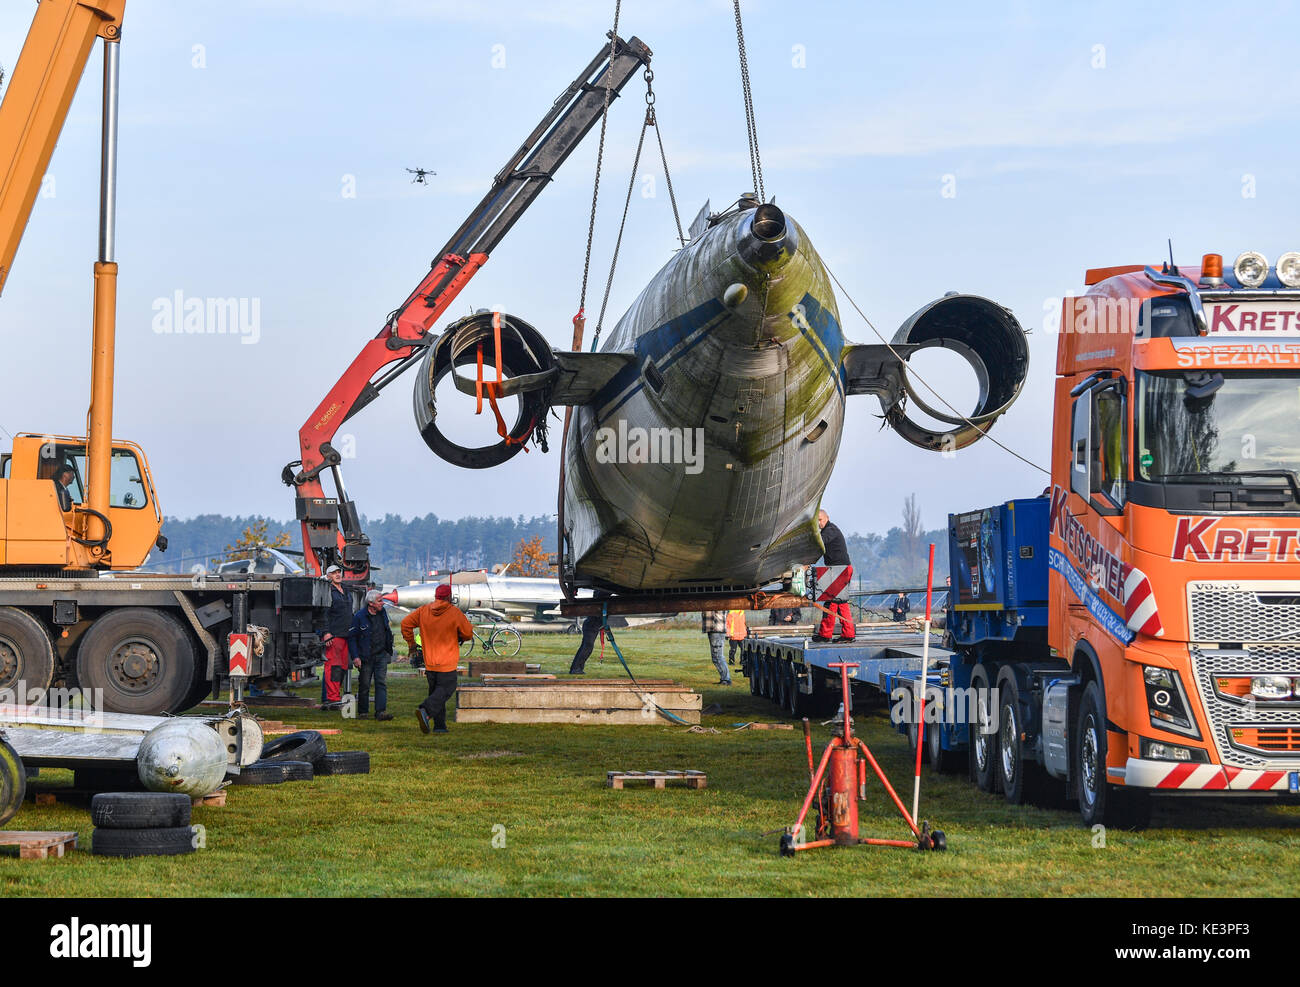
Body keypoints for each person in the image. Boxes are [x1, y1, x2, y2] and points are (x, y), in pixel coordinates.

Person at [401, 583, 472, 734]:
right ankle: (425, 710)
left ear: (436, 596)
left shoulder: (423, 610)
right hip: (447, 662)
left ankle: (440, 726)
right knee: (446, 690)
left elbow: (405, 623)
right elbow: (468, 634)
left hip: (430, 662)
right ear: (449, 597)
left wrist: (412, 644)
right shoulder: (454, 612)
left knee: (436, 693)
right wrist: (458, 634)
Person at [347, 589, 395, 721]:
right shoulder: (359, 617)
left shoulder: (382, 613)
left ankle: (380, 712)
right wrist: (355, 657)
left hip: (381, 655)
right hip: (365, 657)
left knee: (381, 683)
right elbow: (351, 638)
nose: (383, 603)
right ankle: (363, 712)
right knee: (365, 684)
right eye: (380, 601)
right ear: (371, 603)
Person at [813, 509, 856, 643]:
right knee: (833, 603)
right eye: (817, 521)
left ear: (827, 518)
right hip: (836, 570)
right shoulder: (826, 531)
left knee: (837, 603)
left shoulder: (830, 530)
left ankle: (845, 635)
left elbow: (819, 542)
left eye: (820, 520)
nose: (819, 523)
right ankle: (827, 634)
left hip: (841, 570)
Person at [314, 564, 352, 707]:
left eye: (338, 572)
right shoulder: (328, 591)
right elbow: (323, 613)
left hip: (346, 634)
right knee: (333, 667)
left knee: (342, 667)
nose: (337, 574)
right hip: (334, 635)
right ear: (328, 576)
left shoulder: (346, 590)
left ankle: (335, 695)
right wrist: (326, 632)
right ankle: (332, 697)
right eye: (334, 573)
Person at [569, 591, 612, 675]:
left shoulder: (599, 602)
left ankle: (575, 668)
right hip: (591, 626)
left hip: (591, 626)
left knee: (585, 647)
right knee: (587, 647)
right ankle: (576, 669)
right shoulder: (599, 603)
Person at [701, 610, 731, 685]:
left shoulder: (716, 602)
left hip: (715, 629)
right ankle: (725, 678)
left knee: (717, 657)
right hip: (719, 629)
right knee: (718, 656)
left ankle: (726, 679)